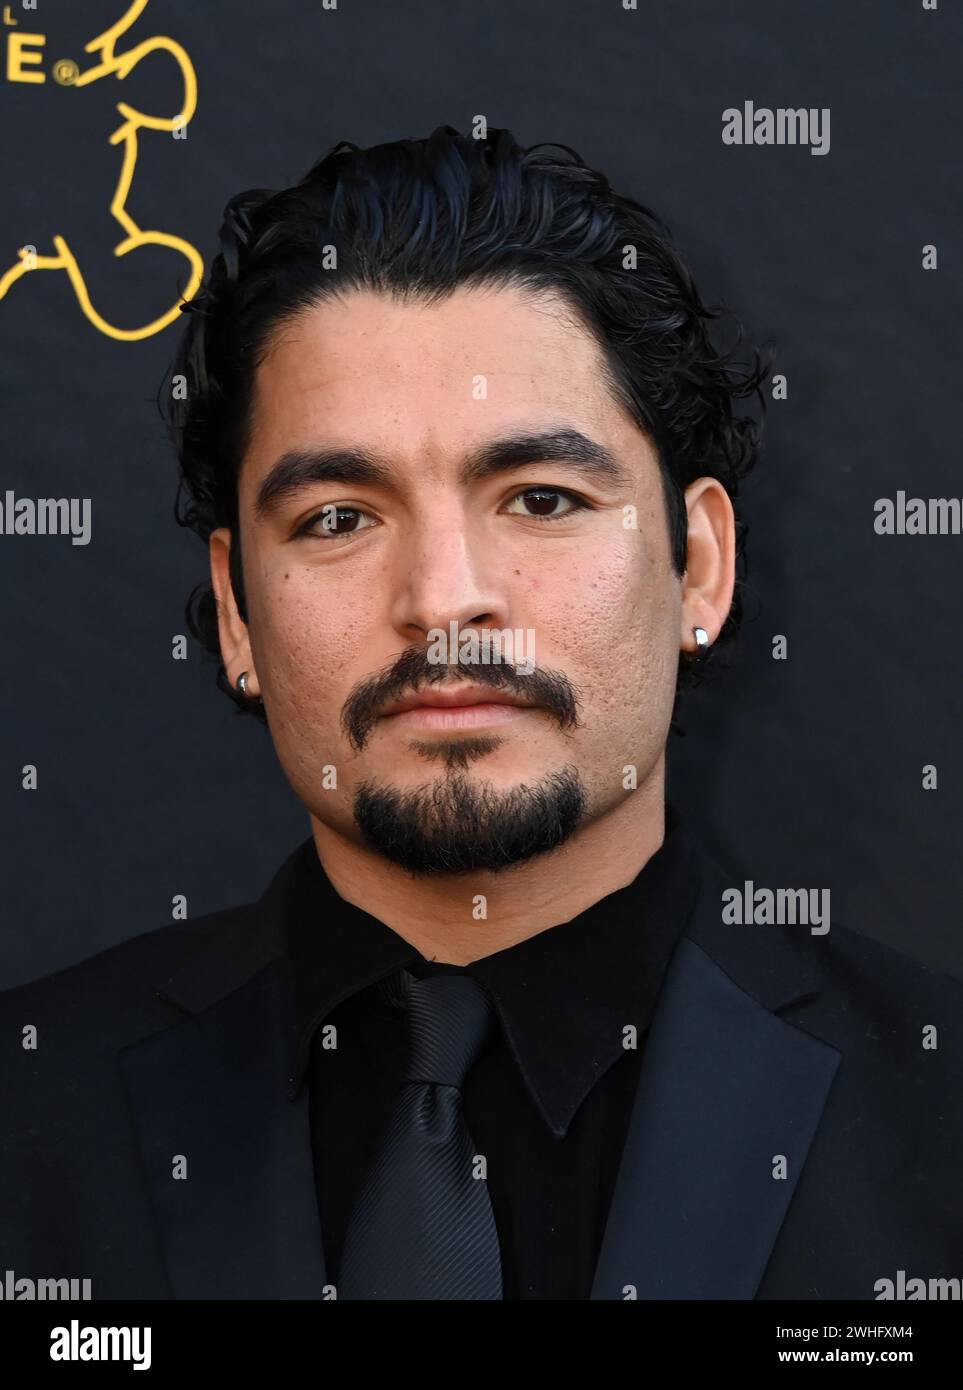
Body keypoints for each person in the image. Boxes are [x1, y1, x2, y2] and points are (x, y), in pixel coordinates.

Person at [2, 126, 961, 1301]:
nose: (446, 598)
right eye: (339, 518)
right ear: (235, 611)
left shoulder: (937, 1112)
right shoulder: (29, 1111)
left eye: (542, 497)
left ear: (698, 563)